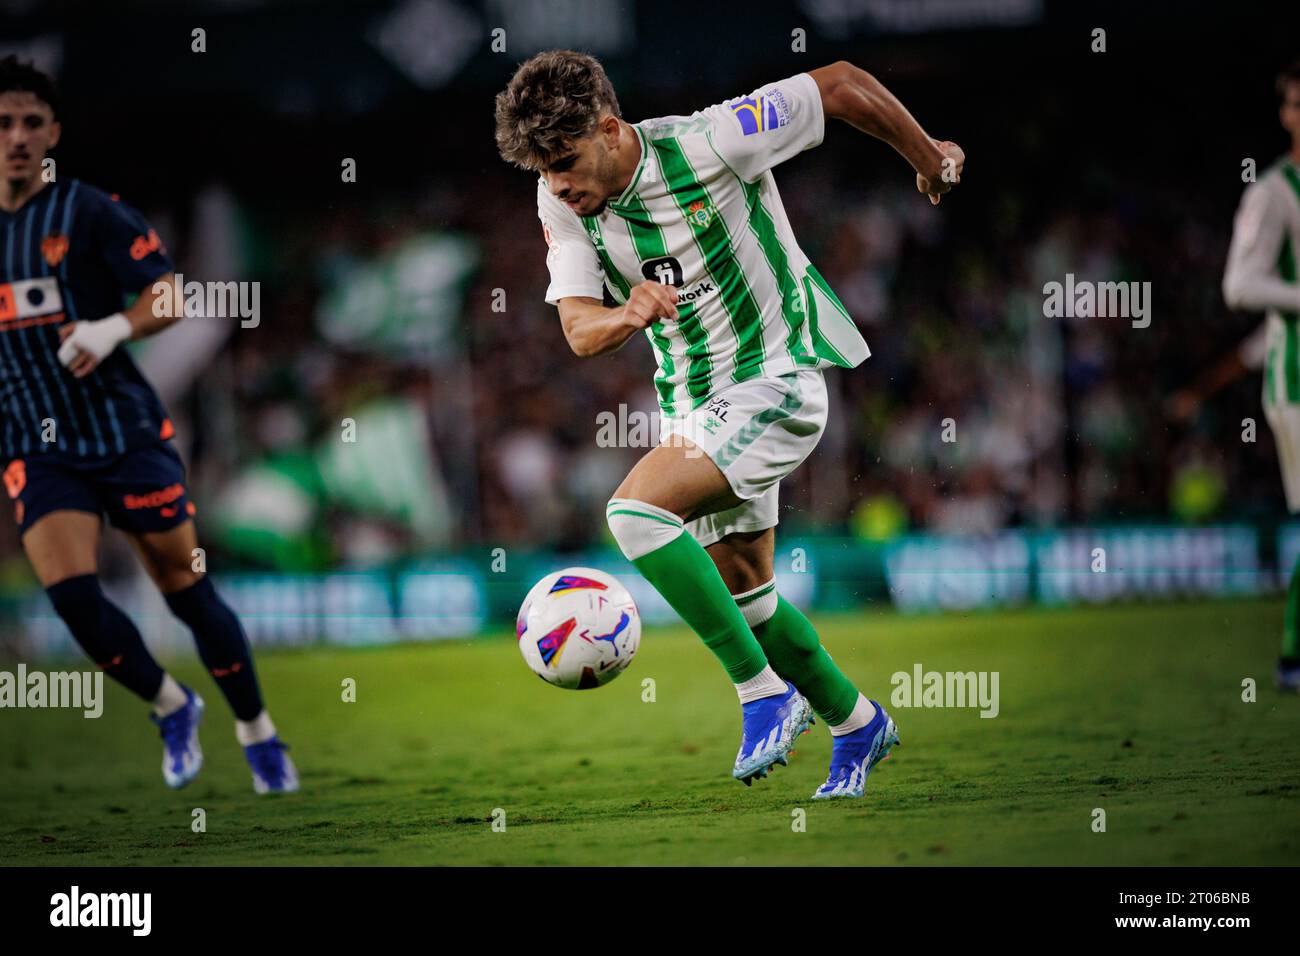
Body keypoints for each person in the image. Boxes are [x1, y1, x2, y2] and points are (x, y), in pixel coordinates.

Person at [495, 51, 964, 797]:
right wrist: (627, 311)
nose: (556, 182)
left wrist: (930, 158)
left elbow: (839, 84)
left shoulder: (715, 140)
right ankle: (856, 722)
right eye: (543, 168)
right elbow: (581, 332)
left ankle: (760, 694)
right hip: (697, 407)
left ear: (611, 129)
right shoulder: (560, 201)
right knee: (754, 602)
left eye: (564, 160)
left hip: (775, 381)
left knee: (635, 515)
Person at [0, 56, 298, 790]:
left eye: (31, 123)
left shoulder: (89, 212)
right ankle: (171, 702)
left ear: (53, 133)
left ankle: (257, 728)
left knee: (183, 587)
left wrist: (110, 329)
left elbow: (168, 297)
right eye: (2, 123)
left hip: (123, 431)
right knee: (71, 594)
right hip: (37, 446)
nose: (15, 137)